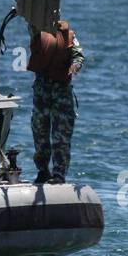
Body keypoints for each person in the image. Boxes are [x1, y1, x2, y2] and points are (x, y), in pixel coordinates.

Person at [26, 18, 84, 184]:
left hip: (61, 95)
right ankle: (43, 171)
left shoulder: (69, 36)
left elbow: (78, 56)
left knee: (61, 137)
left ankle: (59, 174)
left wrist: (74, 66)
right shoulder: (39, 34)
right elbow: (31, 25)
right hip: (42, 94)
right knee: (40, 134)